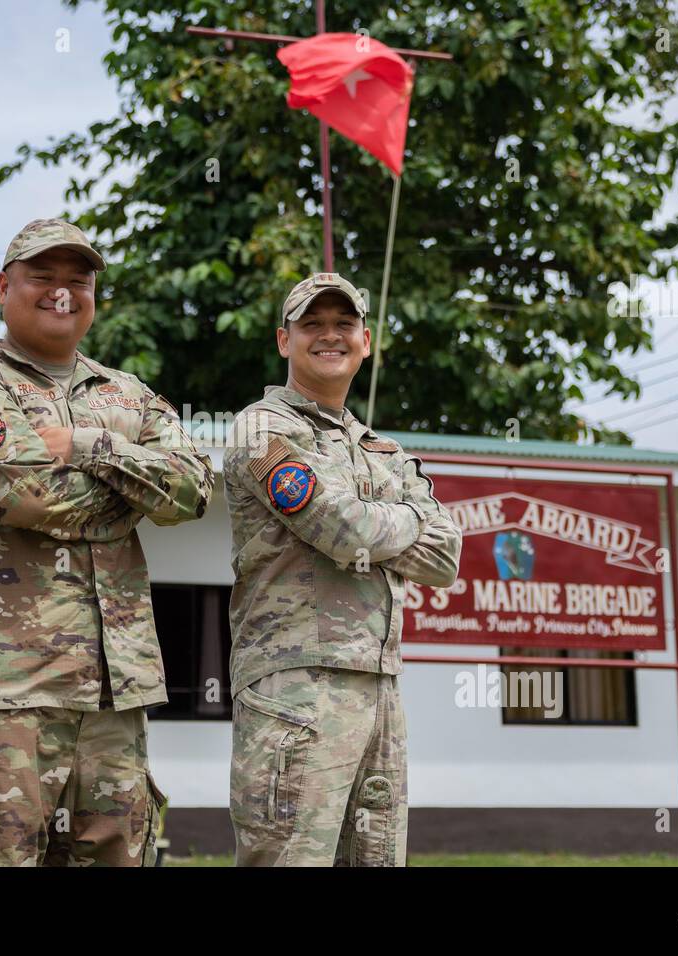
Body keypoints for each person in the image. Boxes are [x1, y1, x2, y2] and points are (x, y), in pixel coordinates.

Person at [0, 218, 213, 866]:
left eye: (78, 279)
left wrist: (91, 446)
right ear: (3, 286)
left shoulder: (127, 393)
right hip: (6, 693)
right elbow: (22, 495)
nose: (61, 291)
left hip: (116, 692)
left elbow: (194, 490)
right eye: (42, 276)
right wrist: (132, 495)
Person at [223, 272, 462, 866]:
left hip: (379, 685)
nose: (329, 336)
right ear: (284, 340)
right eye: (312, 325)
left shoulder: (379, 447)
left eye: (343, 325)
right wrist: (404, 516)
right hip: (295, 687)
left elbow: (445, 556)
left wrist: (371, 522)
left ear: (366, 341)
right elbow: (342, 530)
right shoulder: (264, 427)